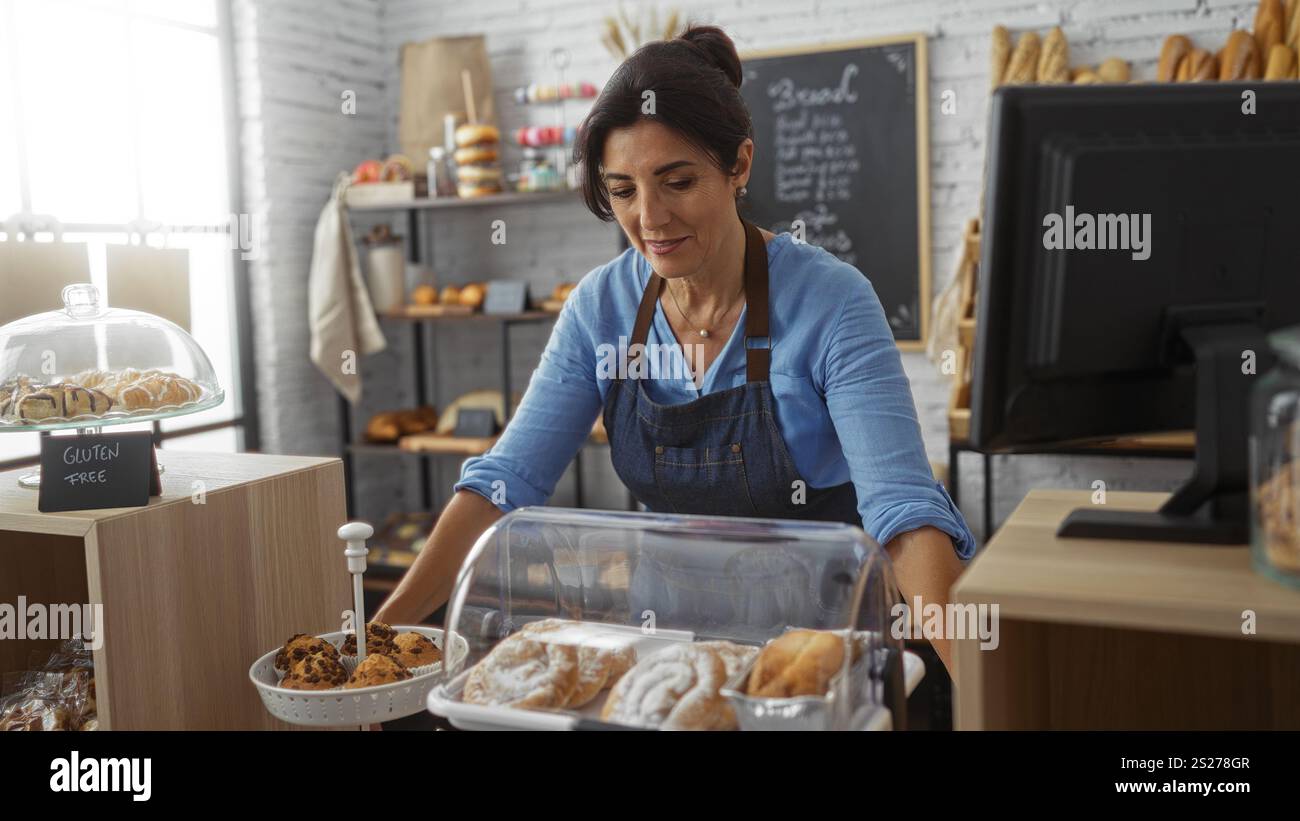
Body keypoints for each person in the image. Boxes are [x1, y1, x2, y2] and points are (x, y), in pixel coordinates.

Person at [375, 24, 975, 671]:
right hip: (668, 654)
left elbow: (904, 513)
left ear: (739, 164)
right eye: (624, 190)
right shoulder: (600, 309)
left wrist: (980, 687)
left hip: (823, 656)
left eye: (677, 181)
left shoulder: (832, 302)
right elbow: (503, 484)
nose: (650, 219)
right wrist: (378, 640)